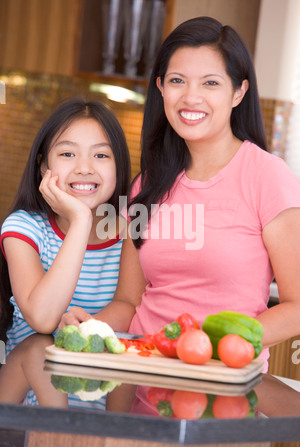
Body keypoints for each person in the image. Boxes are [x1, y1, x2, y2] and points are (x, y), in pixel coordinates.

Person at [60, 17, 300, 378]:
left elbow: (297, 306)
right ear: (160, 88)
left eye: (211, 83)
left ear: (238, 92)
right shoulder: (148, 184)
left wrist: (211, 348)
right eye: (177, 81)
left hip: (222, 385)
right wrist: (92, 327)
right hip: (138, 376)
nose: (191, 97)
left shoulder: (268, 177)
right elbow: (129, 302)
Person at [0, 97, 130, 408]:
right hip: (27, 408)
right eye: (68, 153)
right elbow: (44, 318)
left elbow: (131, 308)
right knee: (40, 345)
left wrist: (87, 328)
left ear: (119, 165)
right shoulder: (24, 228)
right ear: (44, 165)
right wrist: (81, 220)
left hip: (104, 407)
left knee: (128, 350)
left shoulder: (134, 234)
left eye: (101, 155)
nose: (84, 168)